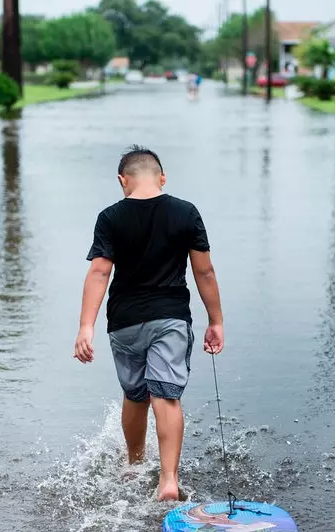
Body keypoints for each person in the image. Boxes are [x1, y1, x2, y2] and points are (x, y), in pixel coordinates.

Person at [74, 146, 224, 502]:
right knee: (166, 396)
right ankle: (168, 480)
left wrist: (85, 327)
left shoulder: (110, 217)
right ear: (162, 177)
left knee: (135, 395)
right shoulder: (186, 213)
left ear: (122, 181)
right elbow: (204, 270)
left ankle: (134, 464)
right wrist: (215, 320)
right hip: (170, 318)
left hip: (124, 323)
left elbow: (99, 271)